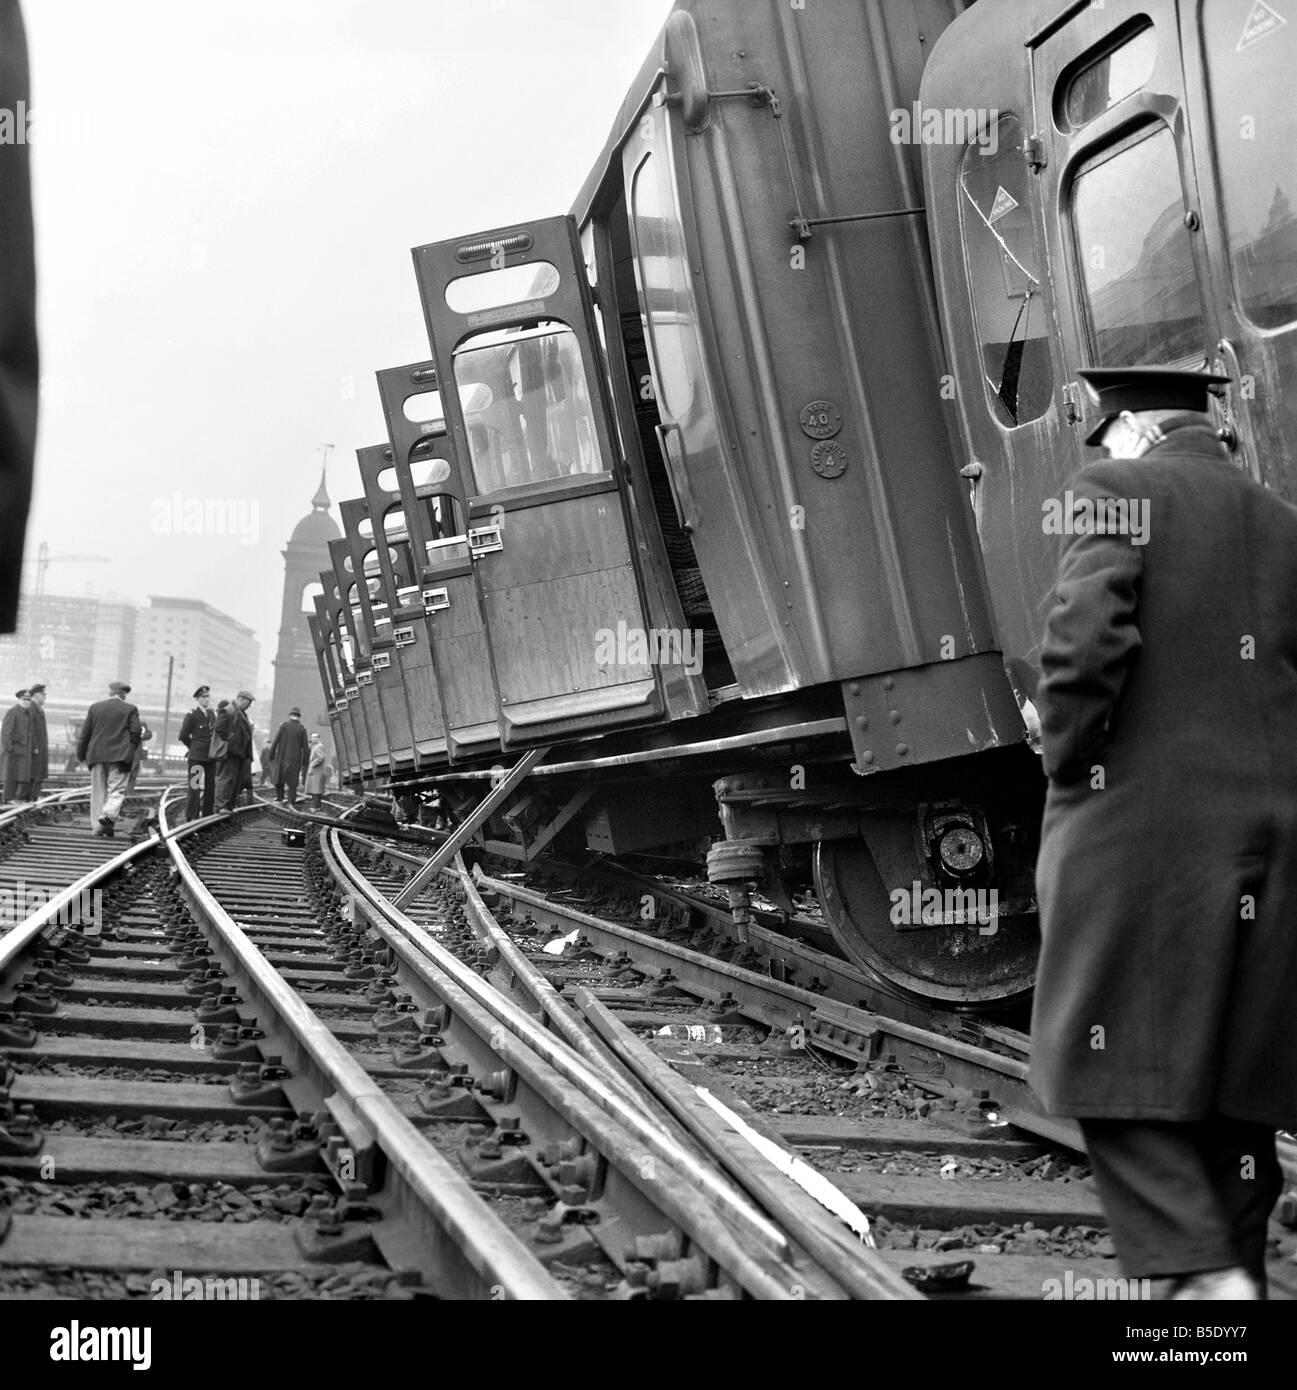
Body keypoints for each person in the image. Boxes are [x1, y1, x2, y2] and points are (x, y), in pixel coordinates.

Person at [1031, 366, 1297, 1301]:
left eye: (1099, 437)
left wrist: (1063, 750)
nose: (1093, 454)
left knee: (1115, 1077)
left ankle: (1207, 1287)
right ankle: (1216, 1314)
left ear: (1132, 429)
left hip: (1145, 844)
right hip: (1274, 851)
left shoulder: (1112, 492)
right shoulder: (1278, 518)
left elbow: (1084, 638)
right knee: (1232, 1105)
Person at [75, 680, 142, 837]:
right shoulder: (130, 709)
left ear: (110, 693)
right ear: (123, 695)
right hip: (120, 756)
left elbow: (85, 734)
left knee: (98, 791)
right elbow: (136, 732)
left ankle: (97, 827)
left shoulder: (95, 708)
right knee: (116, 789)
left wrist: (81, 754)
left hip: (97, 756)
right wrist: (130, 751)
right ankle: (108, 815)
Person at [178, 685, 216, 820]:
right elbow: (183, 735)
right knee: (194, 786)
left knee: (211, 786)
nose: (207, 700)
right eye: (204, 697)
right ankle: (191, 816)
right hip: (197, 758)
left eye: (208, 697)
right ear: (197, 699)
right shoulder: (192, 714)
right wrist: (193, 747)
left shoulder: (211, 714)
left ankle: (207, 815)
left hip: (210, 757)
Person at [213, 690, 254, 812]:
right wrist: (230, 740)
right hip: (230, 752)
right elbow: (219, 727)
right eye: (248, 702)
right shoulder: (229, 710)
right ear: (241, 699)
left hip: (238, 753)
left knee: (233, 781)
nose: (249, 705)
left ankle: (229, 805)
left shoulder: (240, 712)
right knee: (226, 779)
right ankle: (221, 806)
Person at [269, 707, 310, 806]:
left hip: (282, 758)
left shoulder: (284, 726)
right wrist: (305, 762)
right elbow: (305, 747)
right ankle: (291, 802)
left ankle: (279, 798)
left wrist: (271, 754)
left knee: (280, 779)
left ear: (290, 715)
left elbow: (275, 741)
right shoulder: (302, 729)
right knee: (292, 783)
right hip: (295, 760)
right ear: (299, 716)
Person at [1, 688, 33, 802]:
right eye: (24, 699)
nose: (27, 701)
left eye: (29, 699)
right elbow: (6, 731)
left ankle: (17, 797)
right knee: (12, 775)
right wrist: (9, 747)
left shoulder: (29, 714)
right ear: (19, 699)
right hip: (15, 749)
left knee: (22, 775)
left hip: (25, 750)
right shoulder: (13, 712)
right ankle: (8, 797)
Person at [25, 681, 46, 800]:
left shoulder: (37, 709)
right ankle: (30, 798)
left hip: (39, 749)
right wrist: (34, 746)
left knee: (36, 775)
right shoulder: (31, 709)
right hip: (35, 750)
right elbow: (30, 730)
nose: (45, 698)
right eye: (44, 695)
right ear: (37, 695)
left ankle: (33, 797)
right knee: (33, 775)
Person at [127, 721, 153, 794]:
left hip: (135, 754)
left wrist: (139, 735)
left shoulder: (139, 724)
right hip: (127, 754)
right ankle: (127, 792)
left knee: (132, 775)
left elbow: (148, 734)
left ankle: (129, 792)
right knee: (129, 775)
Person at [304, 733, 328, 809]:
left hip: (317, 772)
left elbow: (321, 758)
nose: (313, 739)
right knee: (315, 790)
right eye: (312, 737)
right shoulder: (313, 746)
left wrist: (312, 765)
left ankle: (315, 807)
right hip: (315, 772)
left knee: (316, 790)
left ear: (318, 738)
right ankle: (317, 806)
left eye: (315, 737)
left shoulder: (319, 746)